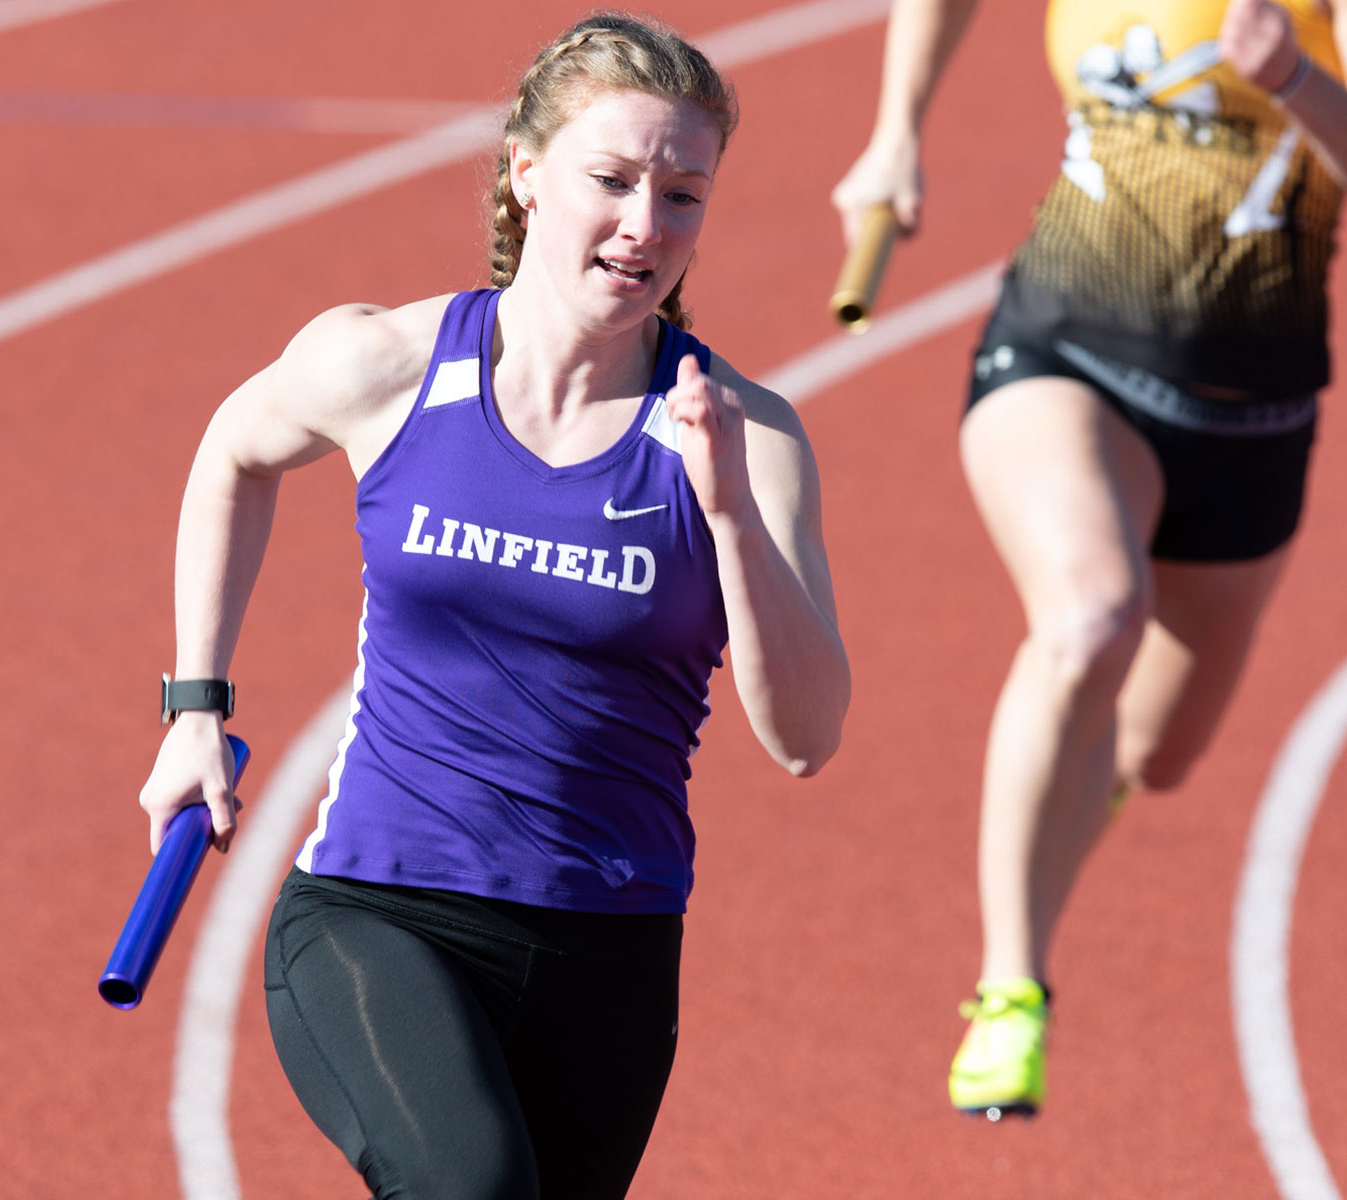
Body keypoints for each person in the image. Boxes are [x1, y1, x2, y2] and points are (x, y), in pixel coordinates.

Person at [137, 12, 851, 1197]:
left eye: (683, 195)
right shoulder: (386, 365)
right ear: (525, 176)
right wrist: (194, 706)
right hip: (379, 909)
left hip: (608, 942)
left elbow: (808, 738)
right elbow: (234, 452)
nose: (644, 226)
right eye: (612, 180)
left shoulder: (742, 437)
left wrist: (729, 518)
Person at [833, 0, 1347, 1119]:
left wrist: (1300, 83)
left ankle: (1068, 798)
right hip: (1065, 343)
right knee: (1089, 622)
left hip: (1254, 411)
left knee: (1156, 752)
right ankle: (1011, 983)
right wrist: (896, 126)